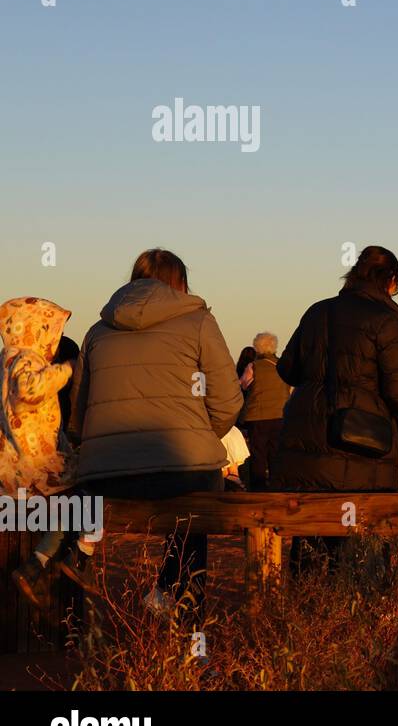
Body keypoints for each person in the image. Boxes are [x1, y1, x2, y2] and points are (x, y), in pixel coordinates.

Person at [12, 249, 242, 613]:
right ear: (180, 283)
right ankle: (182, 613)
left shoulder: (97, 332)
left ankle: (64, 566)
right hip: (184, 473)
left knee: (91, 502)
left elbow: (80, 414)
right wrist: (197, 436)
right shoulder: (198, 321)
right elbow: (228, 401)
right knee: (195, 506)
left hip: (108, 478)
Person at [274, 245, 398, 503]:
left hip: (303, 443)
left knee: (309, 532)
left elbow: (287, 369)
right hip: (361, 448)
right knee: (359, 533)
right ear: (391, 280)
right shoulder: (386, 320)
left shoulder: (317, 311)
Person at [0, 298, 75, 496]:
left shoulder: (7, 361)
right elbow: (28, 392)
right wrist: (67, 370)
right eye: (55, 333)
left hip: (12, 465)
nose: (58, 340)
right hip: (34, 469)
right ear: (37, 331)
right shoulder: (27, 357)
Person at [240, 331, 291, 491]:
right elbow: (291, 389)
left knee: (258, 454)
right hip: (280, 415)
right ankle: (277, 487)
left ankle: (258, 488)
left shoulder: (253, 366)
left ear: (257, 347)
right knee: (276, 453)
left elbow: (243, 385)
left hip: (258, 416)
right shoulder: (283, 366)